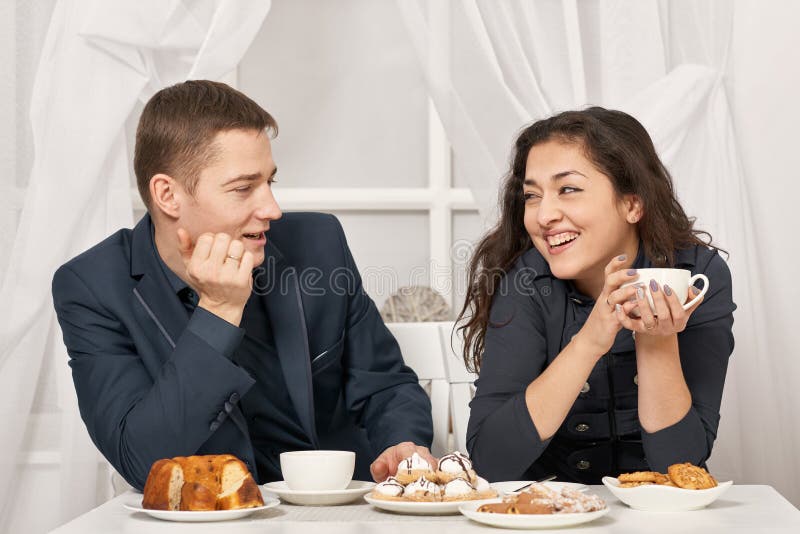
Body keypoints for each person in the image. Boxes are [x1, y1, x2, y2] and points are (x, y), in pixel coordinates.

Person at [52, 80, 434, 490]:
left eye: (270, 182)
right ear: (168, 195)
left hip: (341, 510)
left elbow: (385, 385)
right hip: (212, 521)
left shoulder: (319, 244)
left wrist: (403, 443)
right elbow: (143, 462)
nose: (271, 208)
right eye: (243, 188)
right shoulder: (92, 288)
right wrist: (218, 311)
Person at [457, 107, 736, 484]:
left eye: (568, 189)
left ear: (633, 204)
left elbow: (680, 467)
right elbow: (491, 460)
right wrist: (589, 341)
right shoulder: (522, 282)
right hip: (548, 513)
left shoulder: (698, 276)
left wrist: (657, 339)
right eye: (532, 195)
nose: (543, 216)